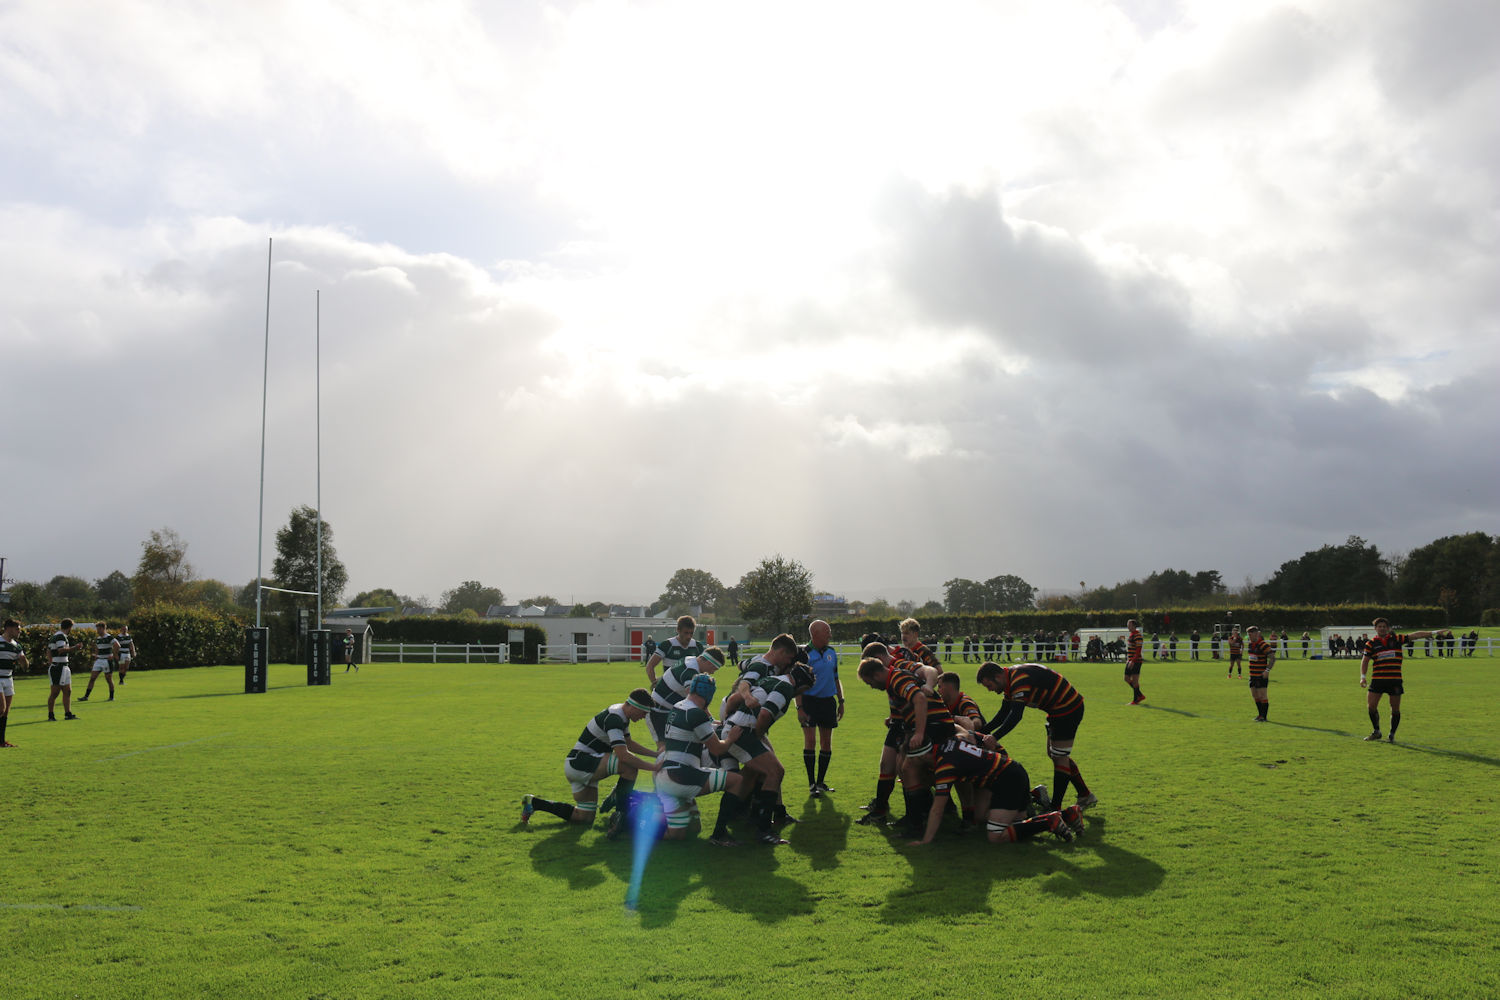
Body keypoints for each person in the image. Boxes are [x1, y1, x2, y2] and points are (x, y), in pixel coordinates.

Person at [521, 688, 660, 832]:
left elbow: (628, 743)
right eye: (644, 712)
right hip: (581, 763)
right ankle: (620, 815)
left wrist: (656, 755)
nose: (644, 717)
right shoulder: (615, 718)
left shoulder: (620, 714)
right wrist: (654, 767)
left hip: (580, 765)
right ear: (635, 706)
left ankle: (534, 803)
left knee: (584, 818)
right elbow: (623, 755)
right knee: (629, 767)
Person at [908, 733, 1081, 846]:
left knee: (995, 836)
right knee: (987, 818)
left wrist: (926, 840)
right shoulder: (949, 741)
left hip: (1007, 780)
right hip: (1009, 771)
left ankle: (1049, 822)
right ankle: (1068, 814)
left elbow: (937, 809)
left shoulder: (945, 766)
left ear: (923, 756)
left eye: (912, 760)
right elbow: (972, 736)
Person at [856, 648, 956, 836]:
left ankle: (921, 821)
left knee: (911, 768)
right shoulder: (893, 680)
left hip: (936, 725)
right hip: (929, 725)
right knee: (904, 766)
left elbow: (919, 698)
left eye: (870, 682)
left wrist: (918, 733)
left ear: (877, 673)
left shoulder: (897, 677)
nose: (871, 687)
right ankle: (916, 818)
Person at [976, 661, 1097, 812]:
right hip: (1057, 710)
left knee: (1059, 757)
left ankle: (1055, 807)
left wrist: (994, 737)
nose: (990, 690)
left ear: (998, 676)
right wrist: (981, 733)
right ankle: (1084, 794)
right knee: (1057, 755)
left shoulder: (1019, 679)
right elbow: (1003, 713)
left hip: (1067, 709)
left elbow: (1015, 715)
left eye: (989, 685)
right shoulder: (1010, 679)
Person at [722, 653, 816, 844]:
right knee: (775, 771)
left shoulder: (774, 680)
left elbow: (735, 700)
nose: (802, 694)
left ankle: (736, 812)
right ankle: (763, 829)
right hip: (744, 732)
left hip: (738, 728)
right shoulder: (786, 688)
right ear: (801, 684)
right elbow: (765, 715)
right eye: (804, 689)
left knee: (753, 772)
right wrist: (757, 737)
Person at [655, 673, 749, 845]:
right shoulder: (696, 714)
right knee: (736, 780)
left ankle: (629, 825)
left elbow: (693, 729)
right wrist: (731, 738)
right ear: (709, 696)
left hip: (665, 775)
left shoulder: (678, 706)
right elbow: (717, 748)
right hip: (681, 777)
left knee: (687, 833)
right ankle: (719, 834)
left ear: (691, 689)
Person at [1359, 618, 1438, 743]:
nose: (1382, 628)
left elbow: (1416, 635)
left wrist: (1434, 632)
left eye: (1384, 626)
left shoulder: (1396, 639)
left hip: (1394, 680)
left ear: (1388, 628)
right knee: (1371, 706)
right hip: (1378, 680)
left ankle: (1391, 735)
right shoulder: (1371, 644)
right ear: (1375, 629)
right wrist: (1363, 677)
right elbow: (1365, 661)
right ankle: (1376, 731)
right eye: (1379, 626)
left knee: (1395, 708)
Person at [644, 645, 726, 749]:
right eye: (714, 668)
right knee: (664, 749)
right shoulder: (691, 672)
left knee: (672, 747)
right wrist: (710, 719)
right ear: (709, 662)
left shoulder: (690, 659)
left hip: (664, 709)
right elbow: (696, 701)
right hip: (658, 712)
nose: (712, 672)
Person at [797, 619, 844, 797]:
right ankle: (811, 785)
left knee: (826, 743)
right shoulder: (804, 654)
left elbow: (836, 678)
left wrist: (841, 701)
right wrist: (799, 708)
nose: (830, 635)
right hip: (809, 702)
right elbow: (798, 683)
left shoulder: (831, 652)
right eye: (827, 631)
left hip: (828, 702)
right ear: (815, 634)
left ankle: (820, 782)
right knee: (810, 742)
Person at [645, 616, 703, 689]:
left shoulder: (698, 646)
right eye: (686, 633)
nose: (689, 636)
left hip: (689, 691)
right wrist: (655, 683)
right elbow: (650, 666)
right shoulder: (667, 645)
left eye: (691, 633)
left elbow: (703, 669)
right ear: (678, 630)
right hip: (670, 690)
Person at [46, 618, 81, 721]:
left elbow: (48, 650)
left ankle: (68, 714)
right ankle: (51, 715)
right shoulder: (60, 636)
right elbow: (61, 650)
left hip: (63, 666)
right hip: (58, 667)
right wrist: (76, 647)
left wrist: (50, 661)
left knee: (67, 691)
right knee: (55, 692)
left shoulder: (57, 635)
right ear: (69, 627)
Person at [0, 618, 27, 747]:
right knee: (1, 708)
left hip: (8, 679)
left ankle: (1, 741)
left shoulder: (17, 646)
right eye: (17, 629)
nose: (19, 632)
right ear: (8, 628)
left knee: (5, 712)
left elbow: (25, 667)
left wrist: (24, 661)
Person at [79, 621, 118, 702]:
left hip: (107, 661)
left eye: (99, 629)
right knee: (92, 678)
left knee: (108, 679)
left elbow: (117, 645)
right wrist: (96, 655)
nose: (98, 631)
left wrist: (113, 655)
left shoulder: (109, 637)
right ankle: (86, 696)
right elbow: (97, 647)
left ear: (104, 628)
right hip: (99, 660)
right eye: (97, 629)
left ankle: (111, 697)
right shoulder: (98, 639)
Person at [1244, 626, 1275, 721]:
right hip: (1252, 675)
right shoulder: (1250, 645)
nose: (1249, 636)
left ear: (1257, 634)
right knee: (1255, 695)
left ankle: (1264, 716)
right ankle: (1260, 715)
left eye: (1251, 634)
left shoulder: (1263, 645)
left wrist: (1267, 670)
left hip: (1261, 675)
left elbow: (1272, 658)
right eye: (1248, 635)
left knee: (1262, 696)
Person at [1124, 618, 1145, 704]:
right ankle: (1140, 695)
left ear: (1133, 626)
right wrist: (1128, 659)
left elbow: (1138, 650)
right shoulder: (1131, 635)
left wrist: (1132, 661)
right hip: (1130, 660)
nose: (1127, 626)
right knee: (1126, 678)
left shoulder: (1138, 635)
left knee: (1135, 681)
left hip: (1136, 661)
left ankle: (1135, 700)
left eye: (1129, 625)